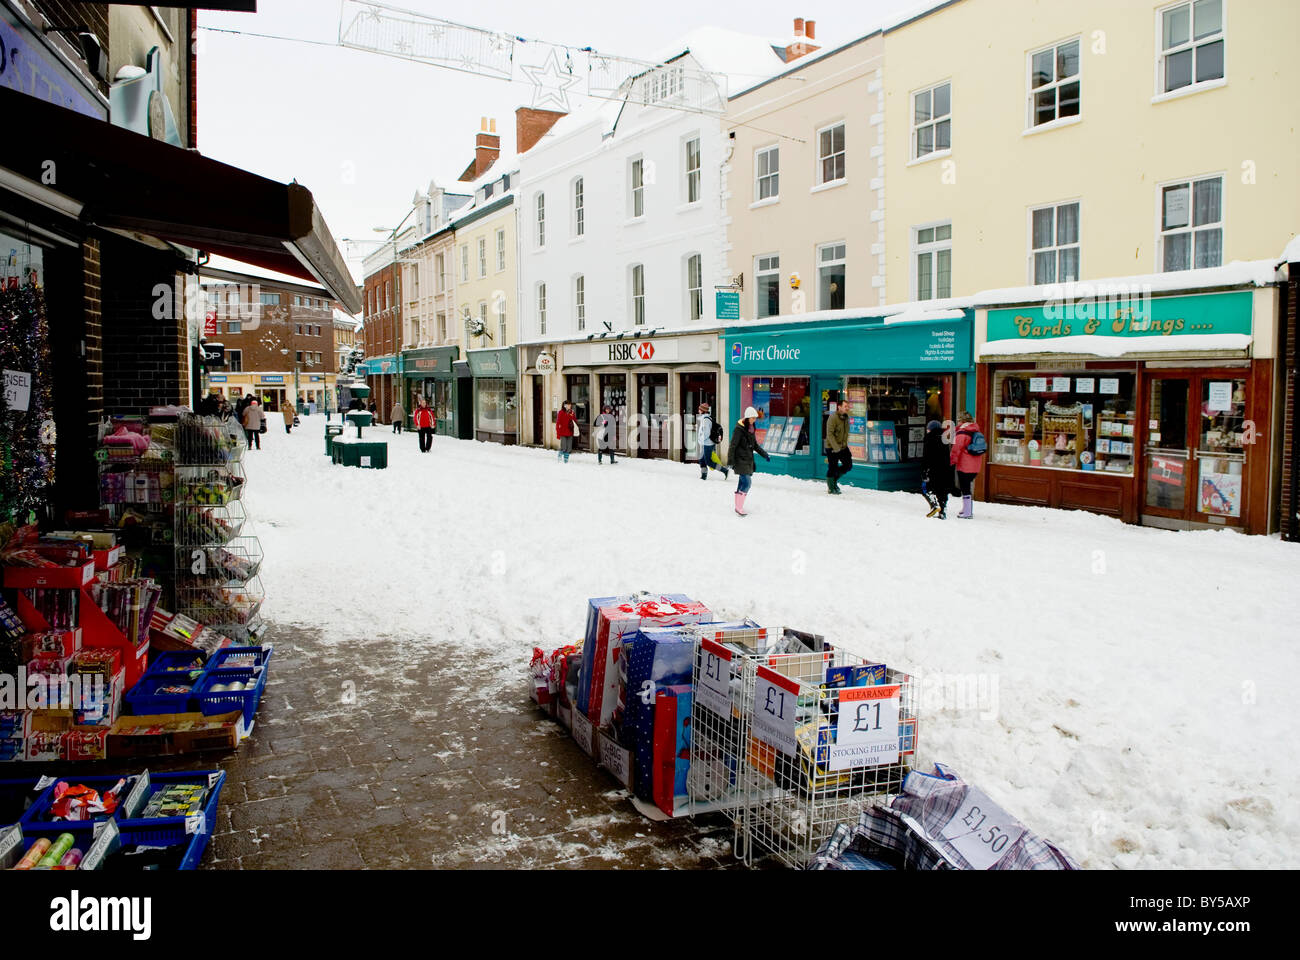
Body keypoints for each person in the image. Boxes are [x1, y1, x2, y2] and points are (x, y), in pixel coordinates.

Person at [728, 406, 770, 517]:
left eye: (755, 418)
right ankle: (739, 507)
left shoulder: (751, 428)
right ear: (747, 418)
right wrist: (730, 461)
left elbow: (755, 445)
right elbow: (733, 445)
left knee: (742, 482)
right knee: (747, 482)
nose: (754, 420)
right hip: (740, 459)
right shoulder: (739, 429)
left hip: (748, 459)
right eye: (753, 418)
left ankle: (738, 506)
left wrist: (764, 454)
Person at [950, 411, 984, 519]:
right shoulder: (975, 430)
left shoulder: (962, 433)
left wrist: (951, 461)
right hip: (975, 465)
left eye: (959, 420)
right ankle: (966, 509)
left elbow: (956, 449)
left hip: (965, 465)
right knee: (967, 486)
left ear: (962, 421)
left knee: (965, 488)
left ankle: (968, 512)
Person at [921, 420, 950, 519]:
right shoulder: (944, 438)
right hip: (945, 469)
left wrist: (924, 470)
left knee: (926, 488)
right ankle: (943, 512)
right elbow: (947, 455)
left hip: (932, 468)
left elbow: (926, 456)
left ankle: (934, 505)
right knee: (942, 490)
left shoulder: (929, 438)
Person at [696, 402, 729, 480]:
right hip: (706, 443)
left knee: (709, 462)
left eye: (699, 409)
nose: (698, 410)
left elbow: (706, 433)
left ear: (702, 410)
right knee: (702, 459)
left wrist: (701, 439)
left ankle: (725, 470)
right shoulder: (705, 419)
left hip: (708, 443)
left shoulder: (706, 420)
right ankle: (704, 475)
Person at [824, 399, 852, 494]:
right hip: (832, 447)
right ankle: (831, 488)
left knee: (848, 465)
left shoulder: (846, 417)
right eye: (845, 406)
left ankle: (834, 480)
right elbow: (830, 434)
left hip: (843, 447)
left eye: (848, 406)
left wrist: (843, 446)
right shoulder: (833, 418)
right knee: (832, 467)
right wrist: (836, 449)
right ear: (839, 407)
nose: (847, 408)